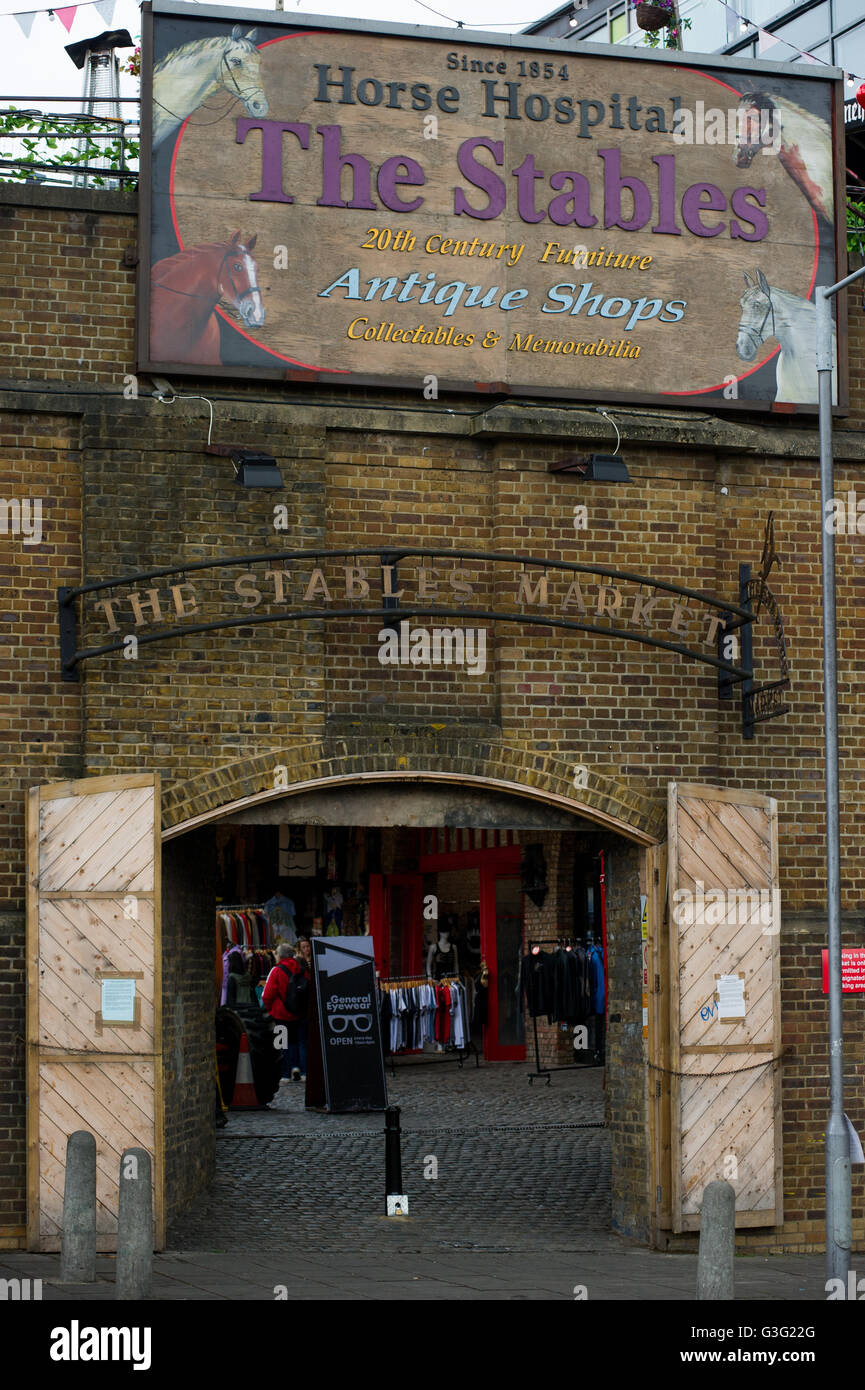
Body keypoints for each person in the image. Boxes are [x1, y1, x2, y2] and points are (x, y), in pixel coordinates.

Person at [263, 942, 307, 1084]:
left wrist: (271, 1009)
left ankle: (285, 1073)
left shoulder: (276, 970)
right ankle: (302, 1071)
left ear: (280, 956)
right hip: (300, 1013)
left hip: (281, 1014)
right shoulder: (301, 967)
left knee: (281, 1043)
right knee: (300, 1042)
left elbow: (267, 995)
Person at [295, 936, 313, 1078]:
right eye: (304, 947)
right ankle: (302, 1068)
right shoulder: (298, 964)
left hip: (308, 1006)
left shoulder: (314, 961)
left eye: (308, 946)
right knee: (300, 1039)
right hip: (302, 1008)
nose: (307, 949)